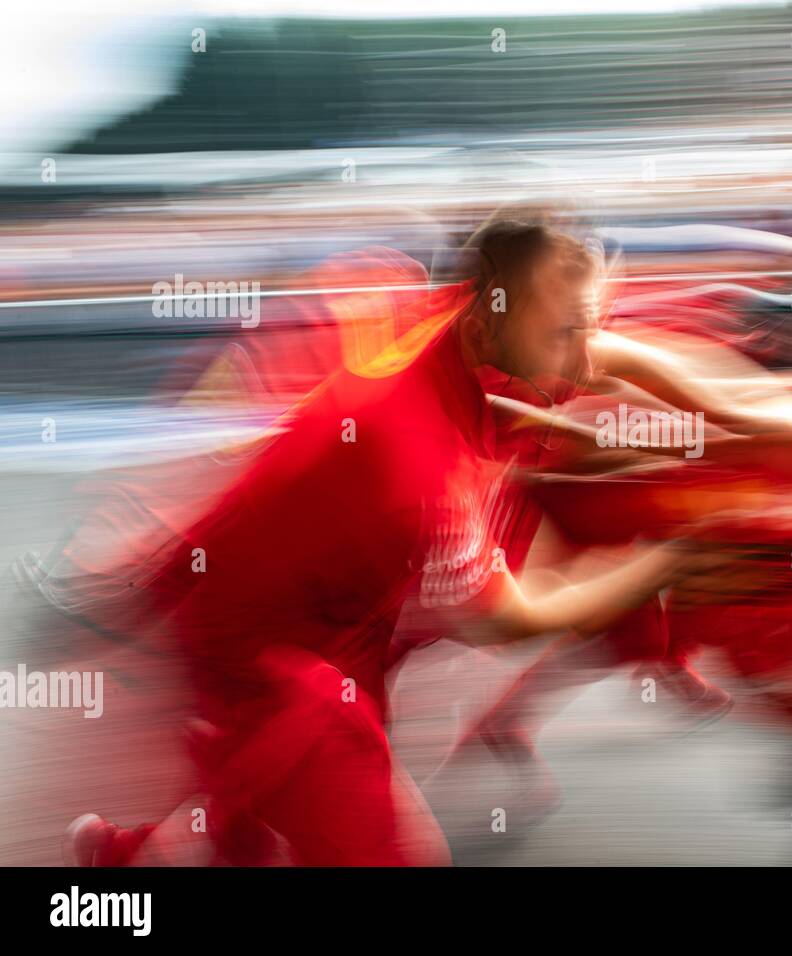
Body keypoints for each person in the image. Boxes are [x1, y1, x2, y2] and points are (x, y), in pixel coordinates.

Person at [64, 219, 729, 866]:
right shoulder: (421, 465)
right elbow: (509, 620)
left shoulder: (465, 324)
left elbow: (592, 387)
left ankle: (130, 857)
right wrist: (659, 563)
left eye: (589, 330)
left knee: (256, 825)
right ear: (487, 322)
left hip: (294, 622)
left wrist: (716, 434)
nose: (585, 361)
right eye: (567, 335)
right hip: (273, 661)